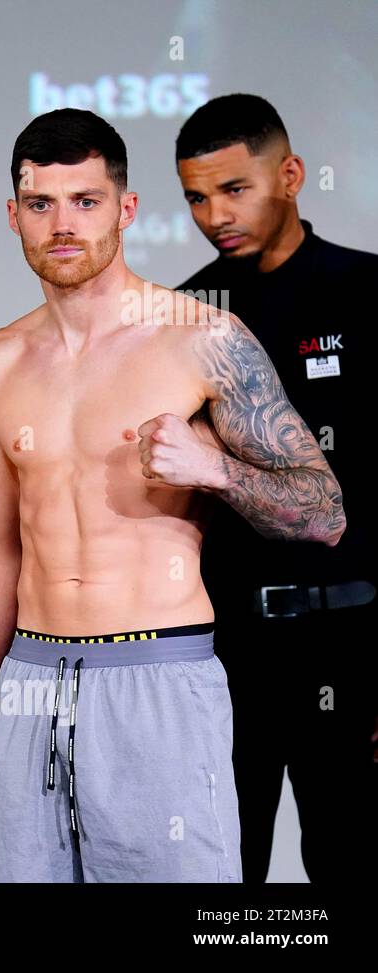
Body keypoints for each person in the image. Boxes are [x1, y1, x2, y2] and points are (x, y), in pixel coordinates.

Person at [0, 108, 345, 882]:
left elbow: (325, 511)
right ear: (13, 214)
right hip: (29, 683)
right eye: (41, 203)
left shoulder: (203, 338)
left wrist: (215, 468)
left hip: (159, 674)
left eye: (86, 201)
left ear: (125, 208)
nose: (63, 224)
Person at [174, 93, 377, 883]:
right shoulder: (184, 314)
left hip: (355, 640)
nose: (214, 213)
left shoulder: (366, 292)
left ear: (290, 175)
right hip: (228, 653)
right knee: (221, 878)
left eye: (235, 188)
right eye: (195, 195)